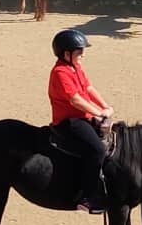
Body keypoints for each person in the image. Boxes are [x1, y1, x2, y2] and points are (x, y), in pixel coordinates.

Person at [48, 29, 113, 213]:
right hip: (69, 122)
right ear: (66, 53)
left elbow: (89, 89)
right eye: (79, 51)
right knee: (97, 149)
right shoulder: (60, 72)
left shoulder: (75, 68)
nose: (82, 54)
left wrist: (106, 106)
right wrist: (99, 114)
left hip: (84, 117)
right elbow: (75, 100)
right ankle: (88, 198)